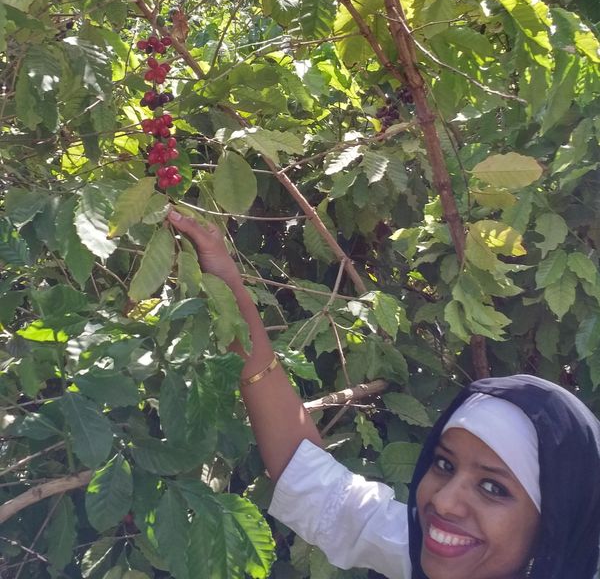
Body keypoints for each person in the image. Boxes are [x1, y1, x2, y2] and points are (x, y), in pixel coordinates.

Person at [167, 209, 600, 579]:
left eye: (493, 487)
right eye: (444, 464)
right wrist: (225, 286)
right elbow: (309, 478)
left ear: (559, 519)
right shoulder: (423, 550)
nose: (444, 501)